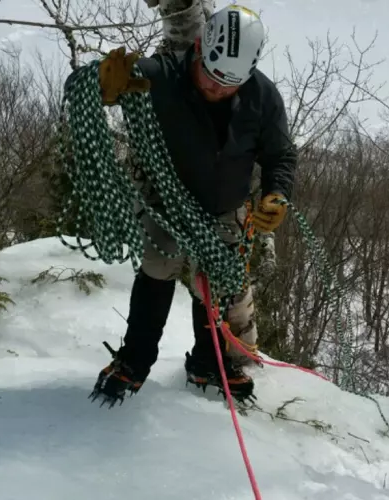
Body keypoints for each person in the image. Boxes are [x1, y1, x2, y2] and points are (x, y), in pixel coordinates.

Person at [89, 4, 297, 406]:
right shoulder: (164, 76)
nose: (217, 89)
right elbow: (116, 80)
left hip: (225, 207)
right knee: (156, 272)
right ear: (199, 48)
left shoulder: (262, 96)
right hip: (168, 203)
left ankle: (209, 362)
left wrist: (277, 192)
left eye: (229, 84)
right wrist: (102, 81)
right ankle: (134, 361)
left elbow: (281, 155)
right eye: (212, 77)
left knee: (217, 285)